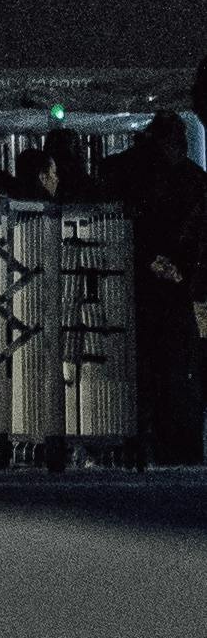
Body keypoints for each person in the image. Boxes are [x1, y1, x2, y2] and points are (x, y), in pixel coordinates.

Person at [100, 59, 207, 468]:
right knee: (181, 371)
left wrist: (148, 260)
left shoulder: (127, 171)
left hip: (137, 283)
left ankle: (139, 444)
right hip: (183, 288)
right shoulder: (194, 180)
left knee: (140, 367)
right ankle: (179, 447)